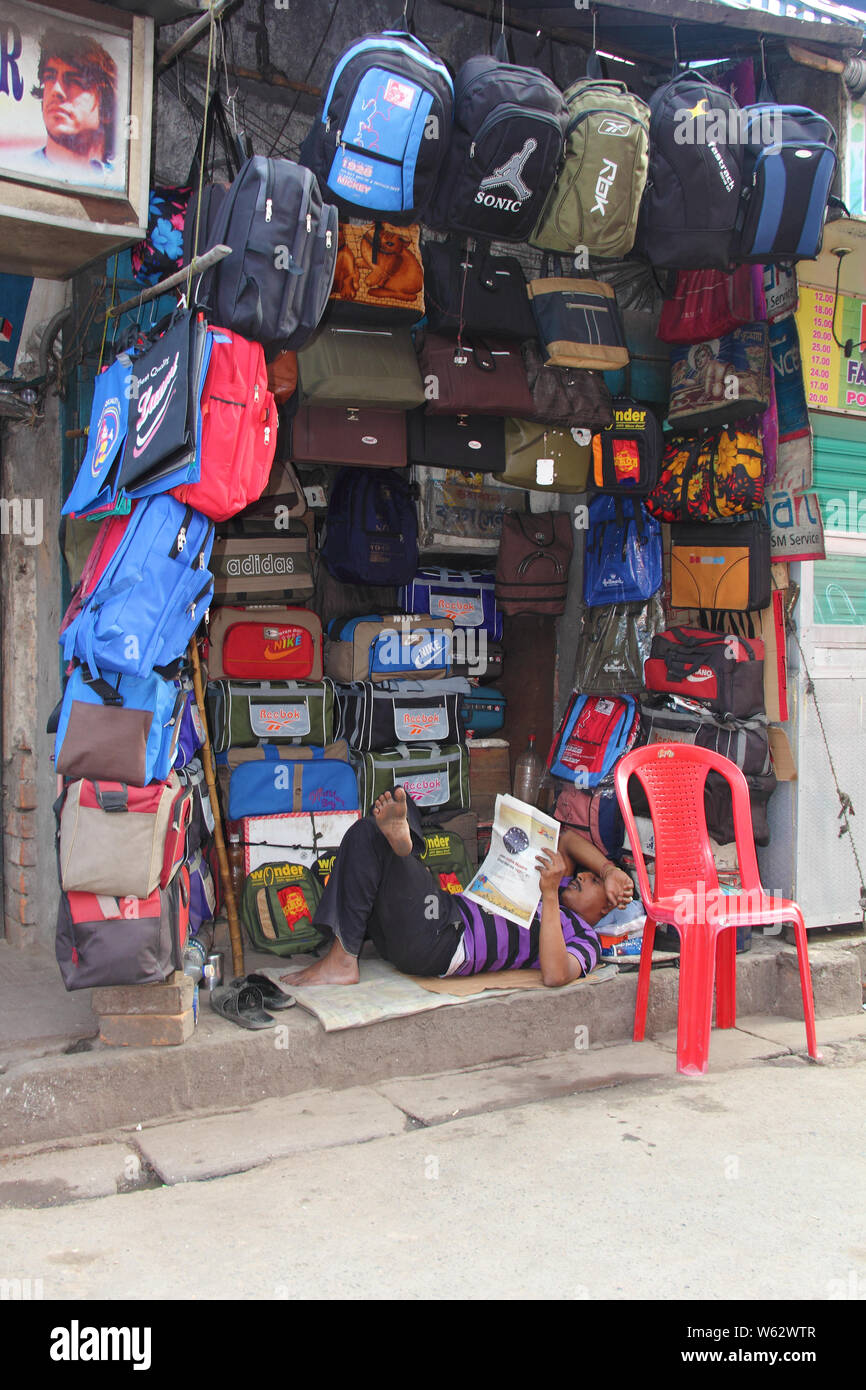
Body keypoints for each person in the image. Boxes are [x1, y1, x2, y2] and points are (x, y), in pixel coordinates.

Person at [280, 787, 635, 989]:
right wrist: (608, 869)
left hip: (443, 940)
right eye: (585, 874)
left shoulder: (583, 937)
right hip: (432, 918)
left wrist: (552, 894)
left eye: (590, 882)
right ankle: (345, 952)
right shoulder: (555, 881)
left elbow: (556, 975)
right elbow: (569, 839)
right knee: (367, 830)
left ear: (605, 910)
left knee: (383, 837)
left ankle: (405, 850)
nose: (581, 876)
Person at [24, 29, 118, 184]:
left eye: (75, 81)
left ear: (106, 109)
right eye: (49, 77)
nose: (56, 90)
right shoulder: (17, 170)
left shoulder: (118, 182)